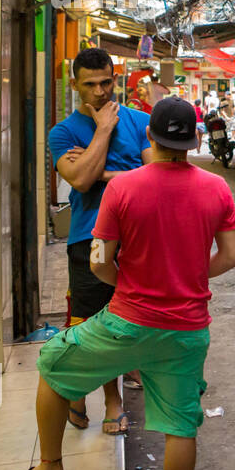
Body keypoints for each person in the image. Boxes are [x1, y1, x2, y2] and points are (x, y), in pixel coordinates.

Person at [9, 97, 235, 470]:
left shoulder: (123, 188)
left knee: (54, 362)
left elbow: (99, 262)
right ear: (194, 140)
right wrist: (190, 277)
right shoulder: (216, 188)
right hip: (186, 329)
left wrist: (133, 282)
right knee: (180, 427)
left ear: (150, 137)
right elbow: (232, 256)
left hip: (126, 321)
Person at [47, 47, 152, 435]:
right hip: (89, 238)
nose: (100, 92)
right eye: (90, 84)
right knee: (92, 322)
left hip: (137, 238)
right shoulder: (63, 132)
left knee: (128, 320)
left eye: (106, 82)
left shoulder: (140, 121)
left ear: (115, 79)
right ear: (75, 85)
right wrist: (104, 131)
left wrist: (105, 172)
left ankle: (100, 393)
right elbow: (79, 181)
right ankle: (108, 400)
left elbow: (156, 177)